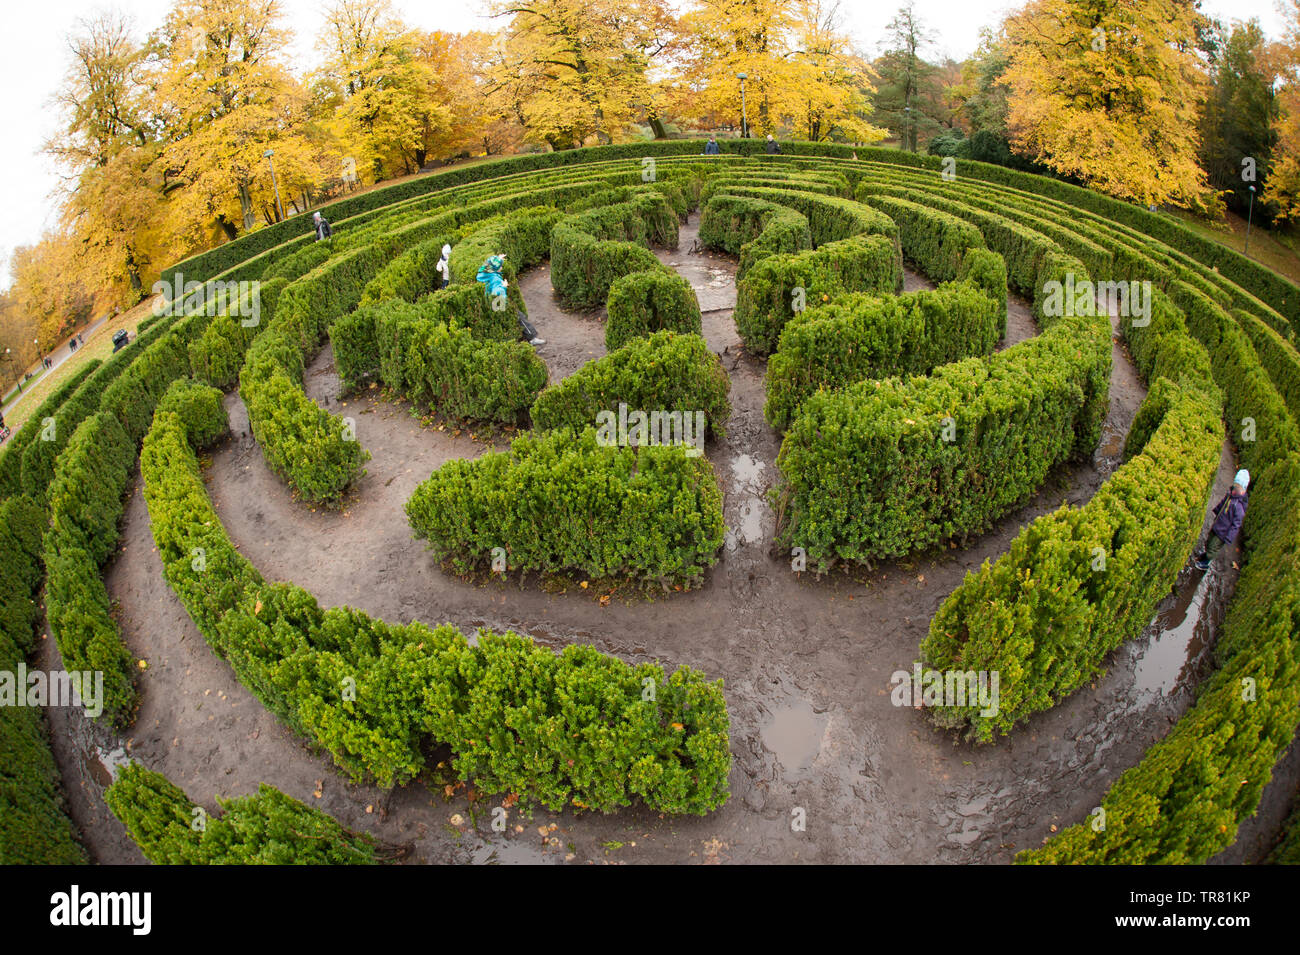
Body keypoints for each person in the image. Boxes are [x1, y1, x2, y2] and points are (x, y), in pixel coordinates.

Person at [475, 254, 545, 346]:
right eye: (500, 266)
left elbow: (489, 262)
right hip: (498, 304)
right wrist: (503, 286)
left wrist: (498, 258)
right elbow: (497, 293)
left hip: (489, 304)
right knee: (520, 318)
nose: (502, 267)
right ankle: (532, 338)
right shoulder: (495, 278)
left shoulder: (484, 273)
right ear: (495, 268)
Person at [1194, 469, 1250, 570]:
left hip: (1223, 534)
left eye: (1237, 489)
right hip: (1218, 525)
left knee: (1213, 548)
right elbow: (1223, 504)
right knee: (1210, 541)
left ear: (1243, 491)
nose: (1234, 490)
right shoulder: (1230, 495)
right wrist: (1217, 509)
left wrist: (1228, 538)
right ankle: (1206, 554)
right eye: (1235, 486)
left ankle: (1206, 563)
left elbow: (1236, 525)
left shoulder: (1239, 508)